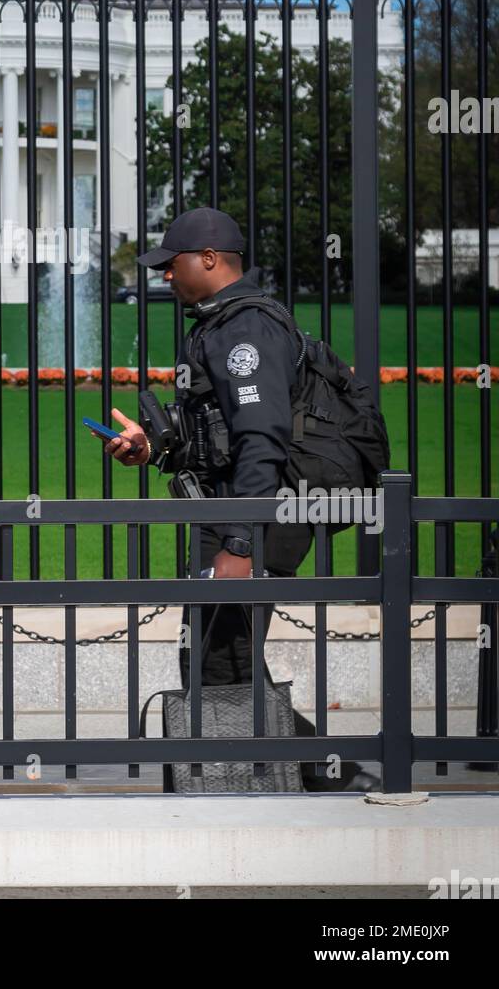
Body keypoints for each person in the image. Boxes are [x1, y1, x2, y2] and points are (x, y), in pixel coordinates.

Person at [96, 205, 379, 794]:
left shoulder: (245, 327)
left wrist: (239, 540)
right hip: (242, 506)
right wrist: (151, 447)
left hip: (261, 509)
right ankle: (298, 769)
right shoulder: (219, 323)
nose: (164, 277)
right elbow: (218, 434)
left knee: (222, 651)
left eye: (171, 266)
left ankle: (294, 774)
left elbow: (261, 439)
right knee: (219, 650)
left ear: (208, 259)